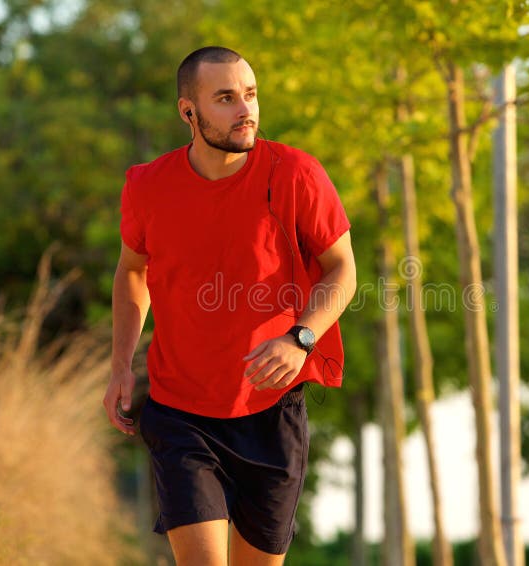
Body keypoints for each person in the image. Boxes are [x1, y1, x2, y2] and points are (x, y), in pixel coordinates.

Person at [102, 46, 356, 566]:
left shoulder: (296, 174)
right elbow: (132, 271)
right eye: (225, 98)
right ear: (187, 112)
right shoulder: (149, 186)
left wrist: (300, 338)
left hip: (270, 410)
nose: (246, 110)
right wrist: (121, 364)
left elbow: (343, 269)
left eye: (251, 94)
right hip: (180, 411)